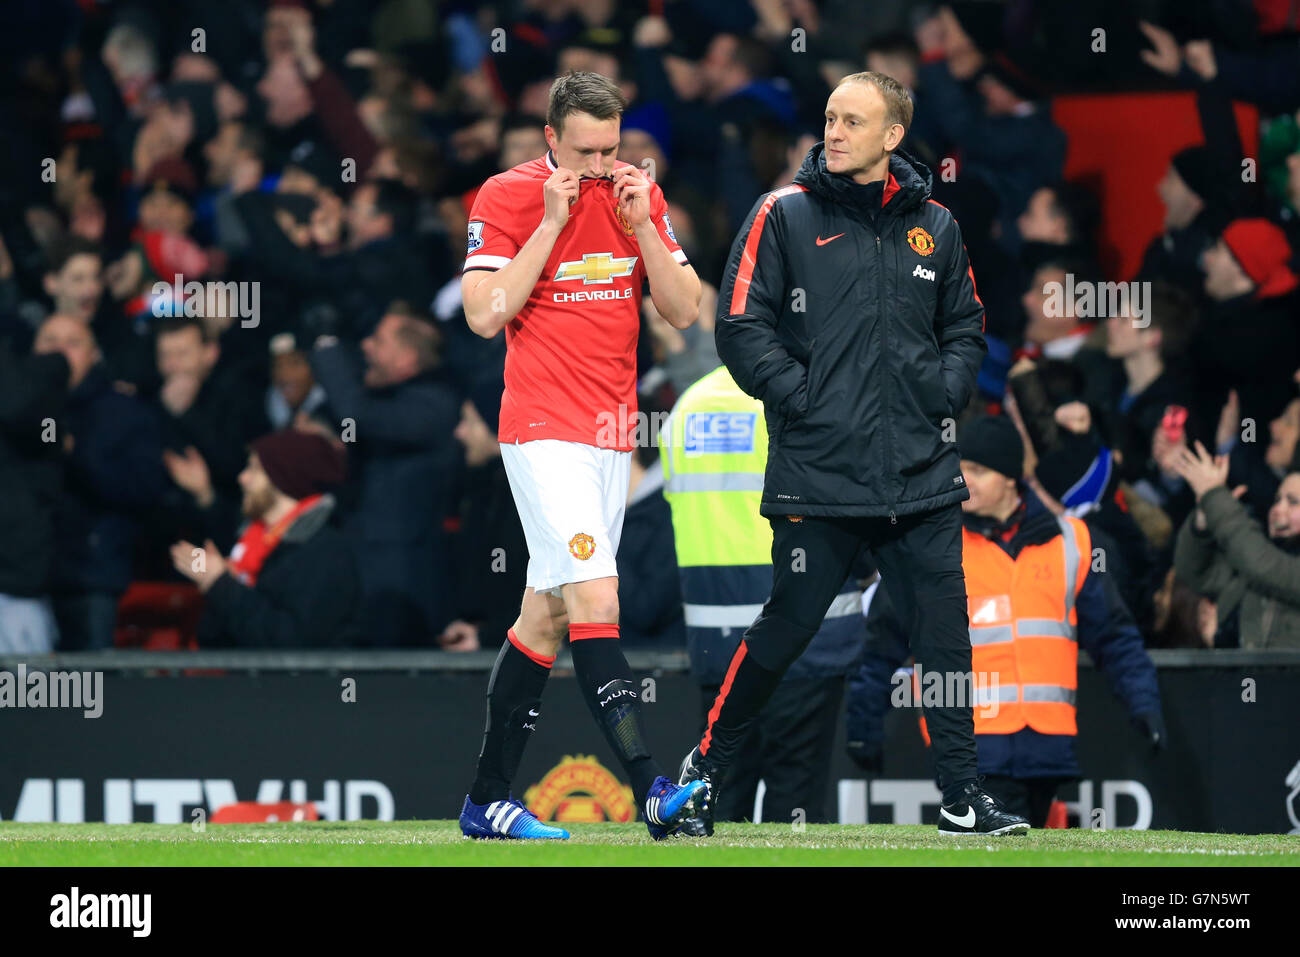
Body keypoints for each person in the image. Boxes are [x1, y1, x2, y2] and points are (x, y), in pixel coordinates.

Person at [678, 70, 1027, 836]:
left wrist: (945, 390)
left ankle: (963, 797)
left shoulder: (936, 224)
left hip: (921, 475)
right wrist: (806, 399)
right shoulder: (783, 214)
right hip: (821, 473)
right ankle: (701, 773)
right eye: (829, 117)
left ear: (892, 136)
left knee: (944, 635)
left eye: (851, 121)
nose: (832, 132)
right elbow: (740, 327)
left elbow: (968, 324)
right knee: (785, 629)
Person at [456, 71, 707, 841]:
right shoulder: (506, 195)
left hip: (609, 439)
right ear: (551, 140)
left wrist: (639, 229)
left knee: (548, 616)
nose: (602, 166)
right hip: (541, 431)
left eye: (612, 147)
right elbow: (483, 314)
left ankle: (486, 801)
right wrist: (549, 225)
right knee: (599, 600)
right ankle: (654, 791)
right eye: (587, 151)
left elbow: (685, 308)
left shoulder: (638, 195)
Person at [849, 416, 1166, 827]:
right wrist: (863, 723)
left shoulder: (1072, 543)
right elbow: (882, 645)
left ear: (1012, 478)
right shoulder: (928, 548)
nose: (964, 480)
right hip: (967, 749)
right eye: (959, 468)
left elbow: (1115, 638)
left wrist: (1144, 703)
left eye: (978, 470)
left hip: (1047, 752)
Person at [662, 366, 867, 827]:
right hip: (803, 631)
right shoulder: (803, 390)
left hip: (716, 635)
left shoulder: (688, 405)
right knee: (794, 803)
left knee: (718, 790)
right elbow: (845, 504)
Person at [309, 306, 460, 648]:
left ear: (407, 358)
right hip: (363, 570)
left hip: (404, 584)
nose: (365, 346)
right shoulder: (387, 397)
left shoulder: (434, 406)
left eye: (378, 340)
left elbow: (358, 415)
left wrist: (327, 345)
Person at [34, 315, 166, 649]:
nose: (60, 352)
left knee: (90, 693)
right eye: (50, 341)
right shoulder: (20, 412)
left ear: (94, 355)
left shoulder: (125, 412)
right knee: (23, 695)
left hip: (90, 578)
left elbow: (146, 491)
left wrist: (75, 455)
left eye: (73, 343)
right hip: (22, 579)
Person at [169, 429, 360, 648]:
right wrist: (219, 582)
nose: (242, 478)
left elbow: (291, 645)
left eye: (255, 469)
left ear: (285, 478)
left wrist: (220, 584)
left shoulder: (327, 553)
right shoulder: (254, 541)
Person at [1173, 442, 1300, 649]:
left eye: (1293, 502)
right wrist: (1203, 520)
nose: (1278, 509)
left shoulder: (1260, 561)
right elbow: (1195, 573)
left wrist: (1214, 496)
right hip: (1240, 680)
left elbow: (1263, 565)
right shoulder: (1251, 562)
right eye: (1277, 500)